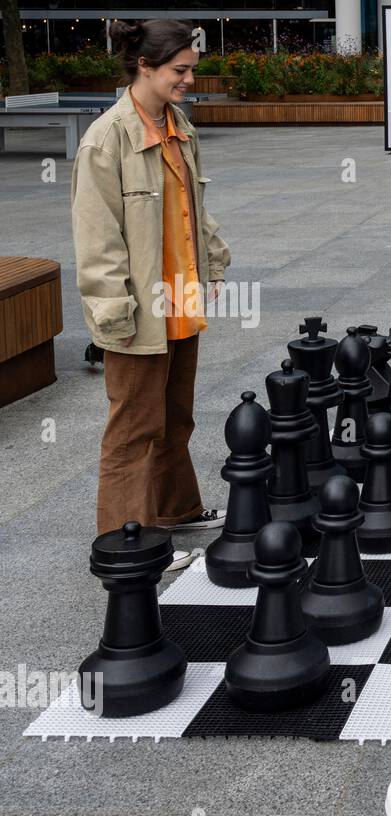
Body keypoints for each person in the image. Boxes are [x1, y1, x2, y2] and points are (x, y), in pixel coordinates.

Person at [71, 18, 232, 571]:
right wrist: (113, 311)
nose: (189, 79)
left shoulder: (176, 124)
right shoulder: (105, 139)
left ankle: (175, 510)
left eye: (191, 69)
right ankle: (127, 545)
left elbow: (193, 205)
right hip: (137, 309)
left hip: (178, 298)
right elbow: (98, 239)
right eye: (179, 70)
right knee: (133, 429)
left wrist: (213, 260)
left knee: (174, 416)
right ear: (145, 67)